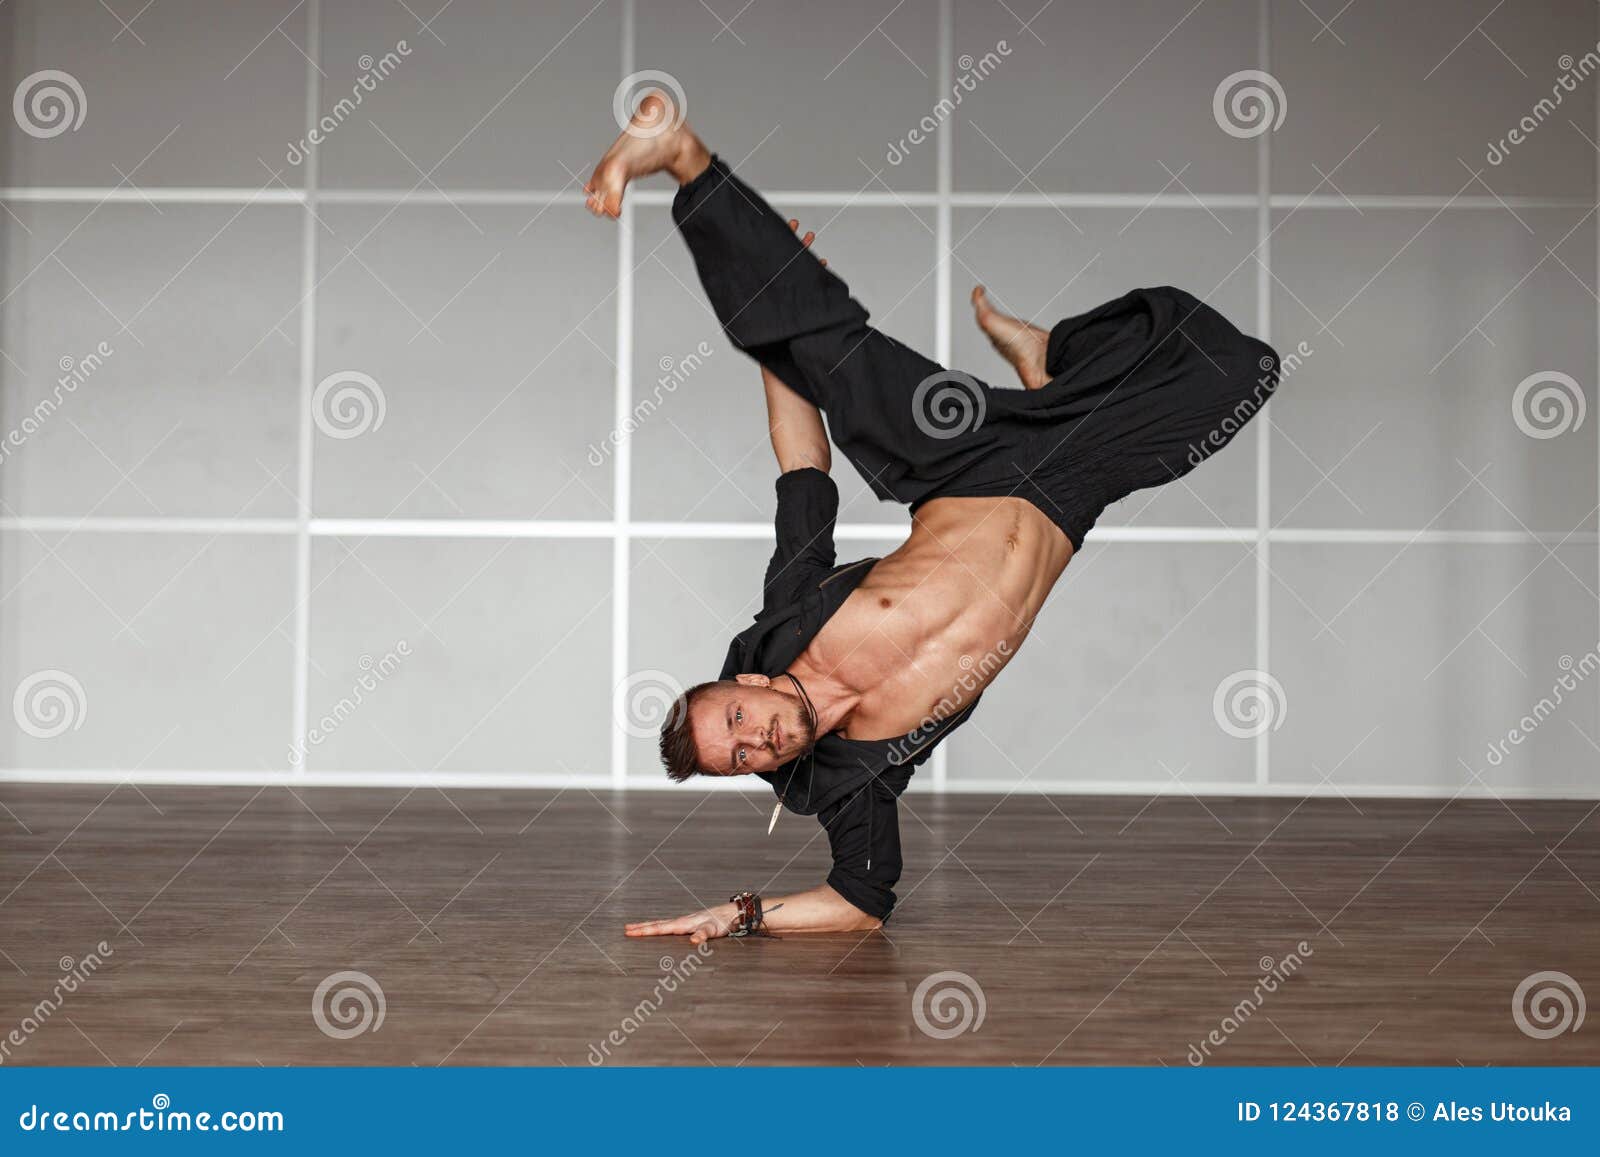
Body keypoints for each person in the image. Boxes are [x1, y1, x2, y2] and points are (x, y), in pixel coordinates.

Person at [587, 93, 1278, 943]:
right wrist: (743, 914)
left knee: (828, 347)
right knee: (1239, 371)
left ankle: (678, 152)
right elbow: (862, 902)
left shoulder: (791, 608)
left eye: (737, 717)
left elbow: (802, 462)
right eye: (742, 756)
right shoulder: (853, 783)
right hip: (1075, 487)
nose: (755, 739)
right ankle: (1053, 363)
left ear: (752, 682)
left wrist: (777, 336)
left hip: (965, 462)